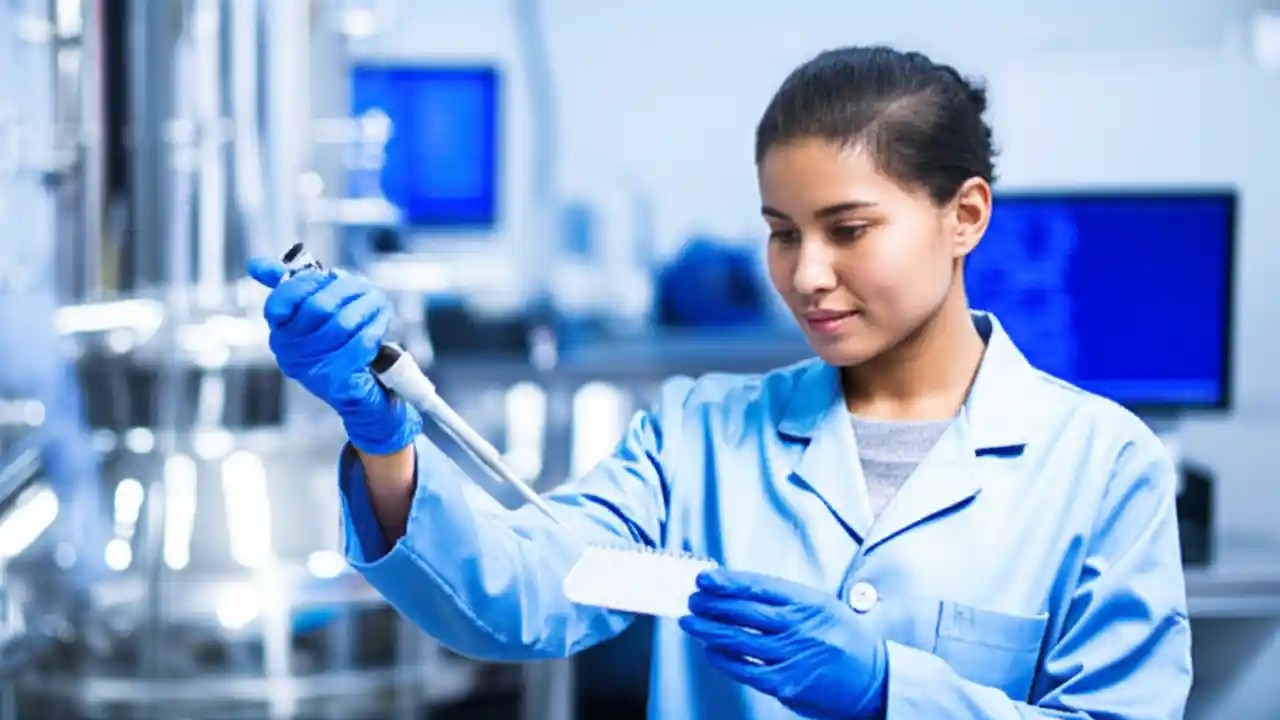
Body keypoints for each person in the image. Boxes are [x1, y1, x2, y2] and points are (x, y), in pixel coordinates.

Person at [248, 46, 1191, 719]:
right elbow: (520, 594)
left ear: (965, 216)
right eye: (783, 231)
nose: (806, 273)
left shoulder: (1103, 467)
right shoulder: (698, 433)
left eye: (848, 229)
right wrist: (382, 439)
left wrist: (889, 692)